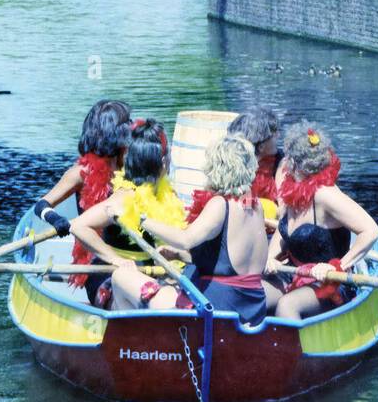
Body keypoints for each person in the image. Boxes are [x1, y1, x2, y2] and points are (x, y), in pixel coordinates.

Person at [114, 133, 268, 325]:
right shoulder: (256, 205)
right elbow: (229, 263)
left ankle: (137, 346)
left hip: (216, 312)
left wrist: (140, 219)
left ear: (217, 168)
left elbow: (185, 239)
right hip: (252, 308)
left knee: (120, 277)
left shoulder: (221, 204)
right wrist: (180, 256)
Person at [265, 122, 378, 320]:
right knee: (253, 292)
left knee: (287, 305)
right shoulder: (293, 190)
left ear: (292, 163)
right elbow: (283, 231)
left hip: (330, 283)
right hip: (294, 273)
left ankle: (292, 350)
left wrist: (337, 267)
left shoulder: (325, 195)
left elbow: (371, 231)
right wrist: (270, 258)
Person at [69, 119, 187, 308]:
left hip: (153, 272)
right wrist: (116, 259)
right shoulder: (125, 197)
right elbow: (78, 226)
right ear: (164, 162)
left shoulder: (167, 193)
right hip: (113, 277)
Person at [33, 99, 133, 293]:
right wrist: (55, 219)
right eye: (126, 124)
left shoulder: (132, 168)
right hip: (98, 262)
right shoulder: (81, 173)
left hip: (133, 257)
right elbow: (41, 205)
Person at [228, 106, 282, 207]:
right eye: (274, 133)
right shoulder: (231, 167)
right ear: (261, 146)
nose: (278, 135)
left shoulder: (281, 163)